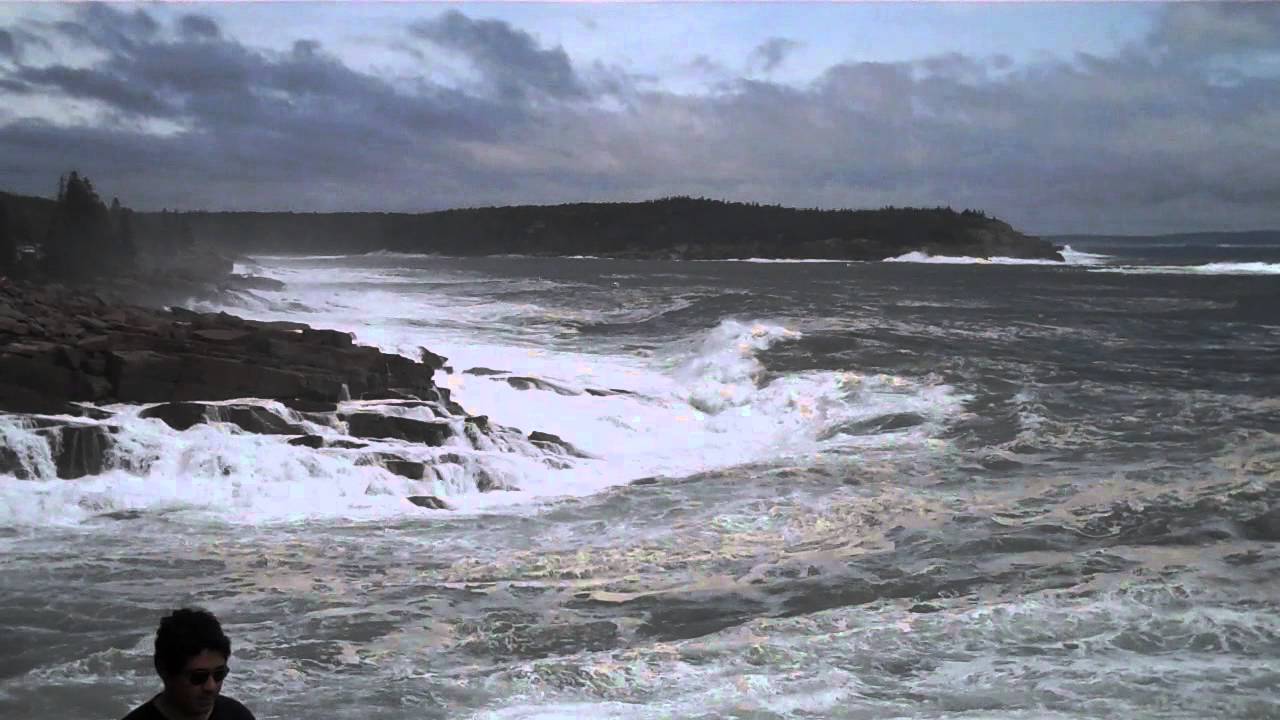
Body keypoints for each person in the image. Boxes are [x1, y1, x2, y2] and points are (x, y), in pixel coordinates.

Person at [122, 608, 256, 720]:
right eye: (198, 677)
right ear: (165, 672)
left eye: (219, 674)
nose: (210, 686)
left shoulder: (238, 716)